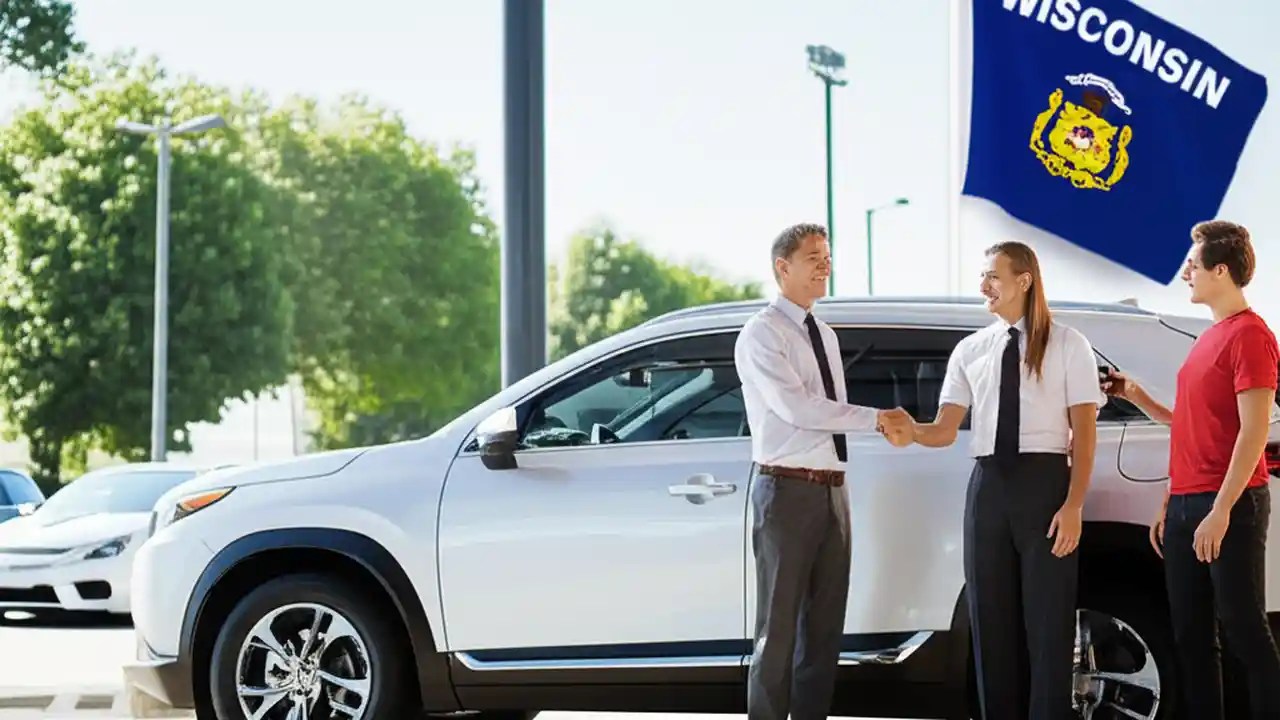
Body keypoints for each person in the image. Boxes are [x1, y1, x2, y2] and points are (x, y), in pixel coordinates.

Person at [908, 240, 1104, 719]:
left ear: (1024, 280)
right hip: (988, 490)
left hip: (1045, 488)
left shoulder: (1067, 343)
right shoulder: (970, 349)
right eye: (982, 276)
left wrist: (1074, 504)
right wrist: (907, 431)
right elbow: (944, 429)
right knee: (990, 624)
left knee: (1048, 625)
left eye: (993, 275)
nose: (984, 286)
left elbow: (1084, 431)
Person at [1101, 220, 1280, 719]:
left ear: (1220, 271)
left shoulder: (1251, 336)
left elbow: (1252, 432)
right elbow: (1192, 426)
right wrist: (1169, 497)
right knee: (1191, 638)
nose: (1185, 273)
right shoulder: (1210, 338)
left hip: (1231, 507)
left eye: (1192, 265)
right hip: (1185, 506)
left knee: (1244, 631)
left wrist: (1220, 510)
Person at [734, 222, 912, 720]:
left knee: (824, 628)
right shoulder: (762, 334)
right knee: (778, 627)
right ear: (782, 267)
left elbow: (825, 409)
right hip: (786, 490)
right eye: (814, 256)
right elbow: (799, 408)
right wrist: (876, 418)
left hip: (833, 491)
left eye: (827, 256)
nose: (825, 265)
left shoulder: (825, 334)